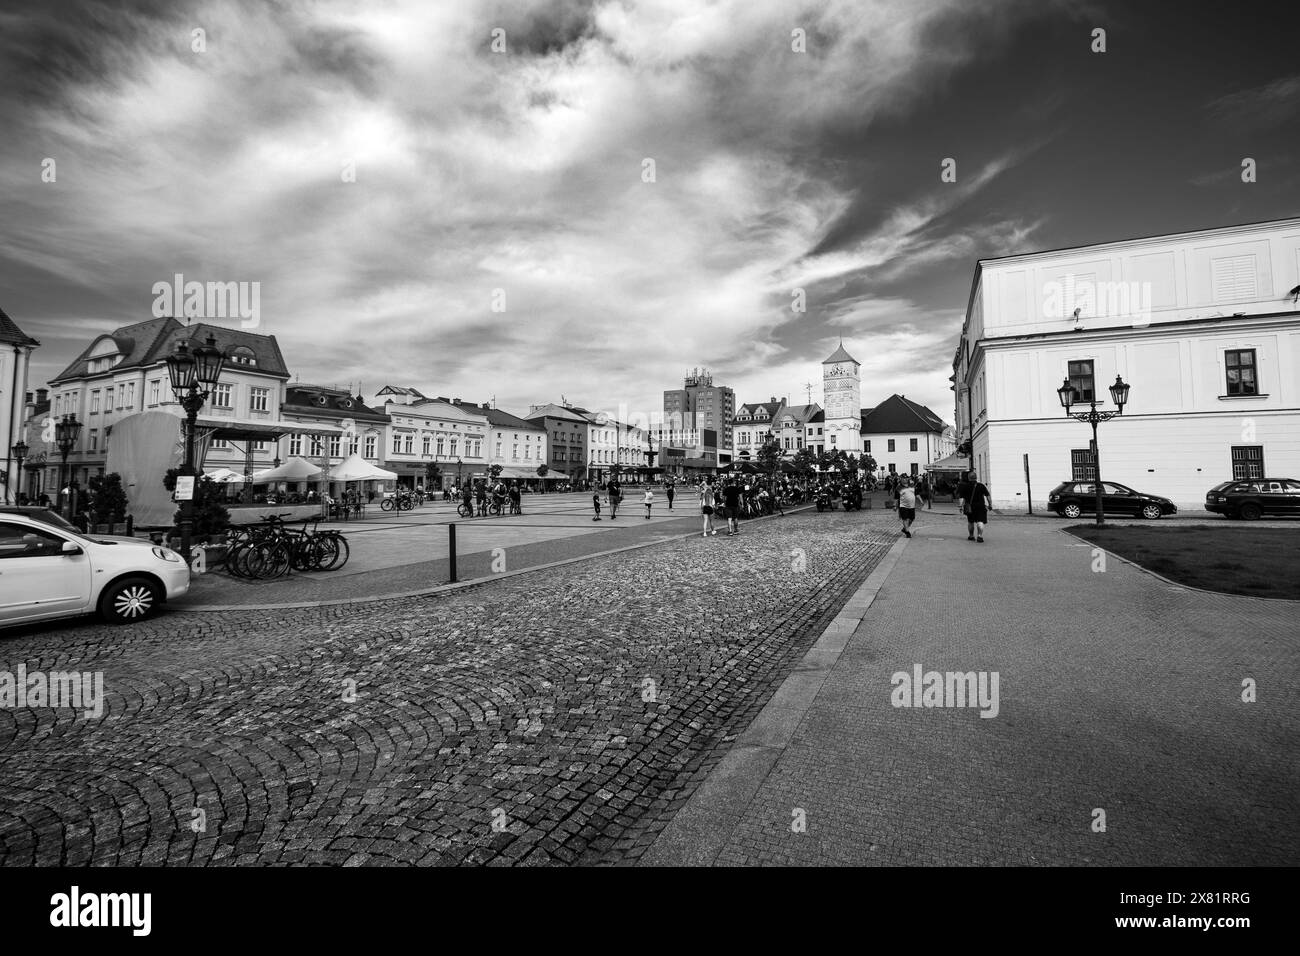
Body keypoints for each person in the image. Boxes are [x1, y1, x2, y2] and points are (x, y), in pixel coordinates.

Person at [960, 470, 992, 543]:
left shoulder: (965, 486)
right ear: (976, 478)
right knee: (980, 521)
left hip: (970, 507)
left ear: (969, 478)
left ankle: (971, 536)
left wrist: (961, 507)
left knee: (970, 521)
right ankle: (979, 536)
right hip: (980, 507)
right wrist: (990, 504)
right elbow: (988, 496)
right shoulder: (981, 486)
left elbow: (962, 498)